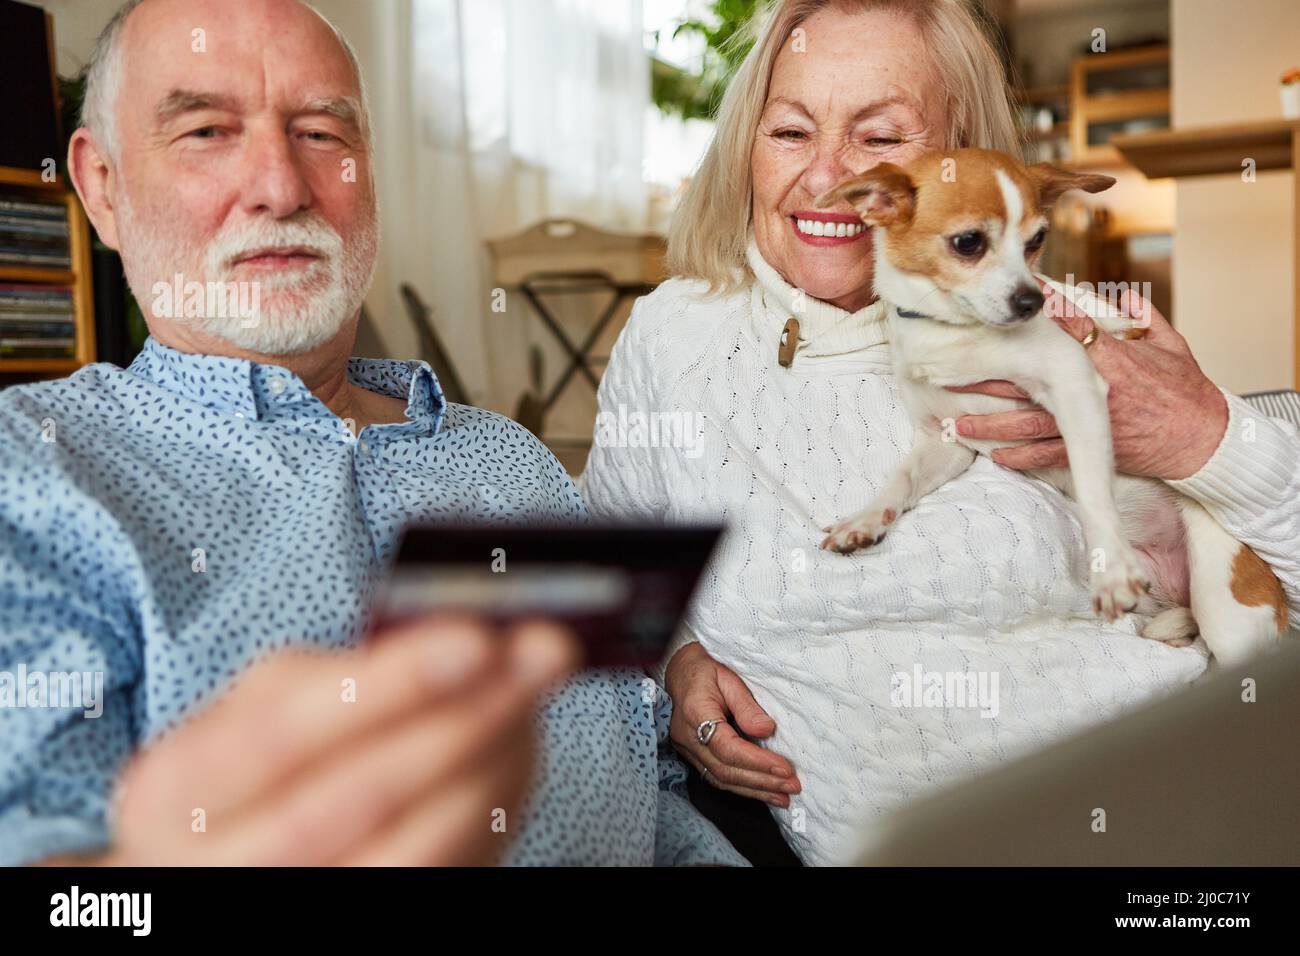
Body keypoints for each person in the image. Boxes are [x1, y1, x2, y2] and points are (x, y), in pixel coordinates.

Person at [0, 0, 744, 868]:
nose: (281, 185)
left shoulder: (512, 458)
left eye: (321, 132)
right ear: (102, 186)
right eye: (206, 130)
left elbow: (651, 793)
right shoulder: (36, 470)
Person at [580, 0, 1300, 865]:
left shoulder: (1058, 332)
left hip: (1190, 806)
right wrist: (675, 663)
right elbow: (600, 599)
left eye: (881, 137)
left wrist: (1204, 437)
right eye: (790, 132)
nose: (829, 179)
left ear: (964, 148)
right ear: (745, 144)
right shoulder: (673, 340)